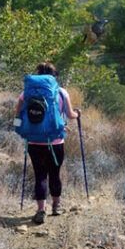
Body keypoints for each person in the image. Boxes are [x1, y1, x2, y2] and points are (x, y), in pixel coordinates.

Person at [15, 62, 80, 224]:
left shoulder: (26, 93)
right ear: (54, 75)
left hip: (34, 141)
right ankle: (56, 207)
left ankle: (40, 210)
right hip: (55, 141)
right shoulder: (61, 92)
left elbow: (17, 116)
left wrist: (19, 131)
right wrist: (78, 114)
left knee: (40, 175)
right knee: (55, 174)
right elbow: (70, 115)